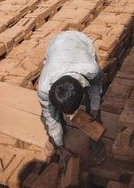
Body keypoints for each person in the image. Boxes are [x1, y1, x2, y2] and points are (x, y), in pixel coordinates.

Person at [37, 31, 107, 170]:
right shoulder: (44, 89)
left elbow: (95, 88)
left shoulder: (91, 70)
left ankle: (95, 140)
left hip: (80, 42)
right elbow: (52, 117)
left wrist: (94, 109)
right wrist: (61, 148)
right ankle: (57, 139)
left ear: (81, 91)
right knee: (53, 119)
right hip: (57, 44)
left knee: (94, 107)